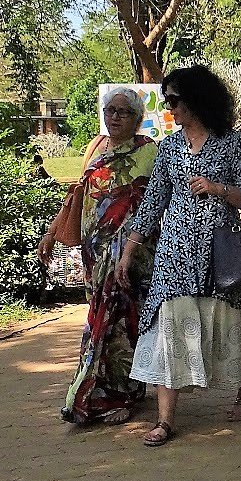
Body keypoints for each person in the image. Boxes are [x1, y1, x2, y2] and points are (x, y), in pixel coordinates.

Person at [116, 66, 241, 447]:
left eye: (175, 101)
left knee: (234, 321)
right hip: (176, 253)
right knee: (170, 326)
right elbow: (154, 203)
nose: (170, 109)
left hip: (223, 248)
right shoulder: (168, 148)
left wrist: (217, 188)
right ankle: (166, 421)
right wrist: (129, 250)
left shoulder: (231, 143)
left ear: (197, 100)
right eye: (167, 102)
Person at [39, 87, 158, 426]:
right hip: (95, 253)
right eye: (110, 110)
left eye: (123, 112)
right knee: (104, 316)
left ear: (137, 118)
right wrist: (51, 233)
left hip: (132, 254)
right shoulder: (96, 147)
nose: (115, 117)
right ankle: (123, 389)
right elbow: (76, 194)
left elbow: (159, 201)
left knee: (118, 321)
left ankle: (106, 395)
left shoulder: (149, 152)